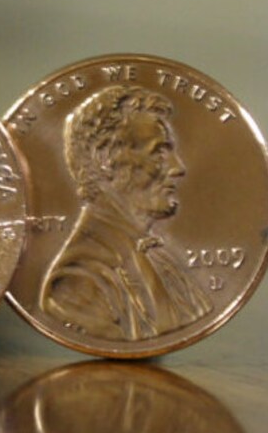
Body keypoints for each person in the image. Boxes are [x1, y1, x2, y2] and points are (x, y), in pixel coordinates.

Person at [40, 85, 213, 340]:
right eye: (159, 151)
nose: (178, 168)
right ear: (105, 158)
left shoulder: (162, 261)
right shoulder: (77, 282)